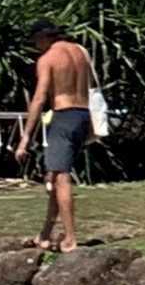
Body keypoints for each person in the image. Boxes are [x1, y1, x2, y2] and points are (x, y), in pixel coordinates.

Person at [14, 23, 97, 251]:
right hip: (82, 114)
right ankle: (45, 234)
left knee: (61, 177)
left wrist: (25, 138)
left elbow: (40, 98)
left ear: (43, 38)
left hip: (63, 114)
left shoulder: (48, 58)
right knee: (53, 175)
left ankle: (70, 237)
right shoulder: (80, 51)